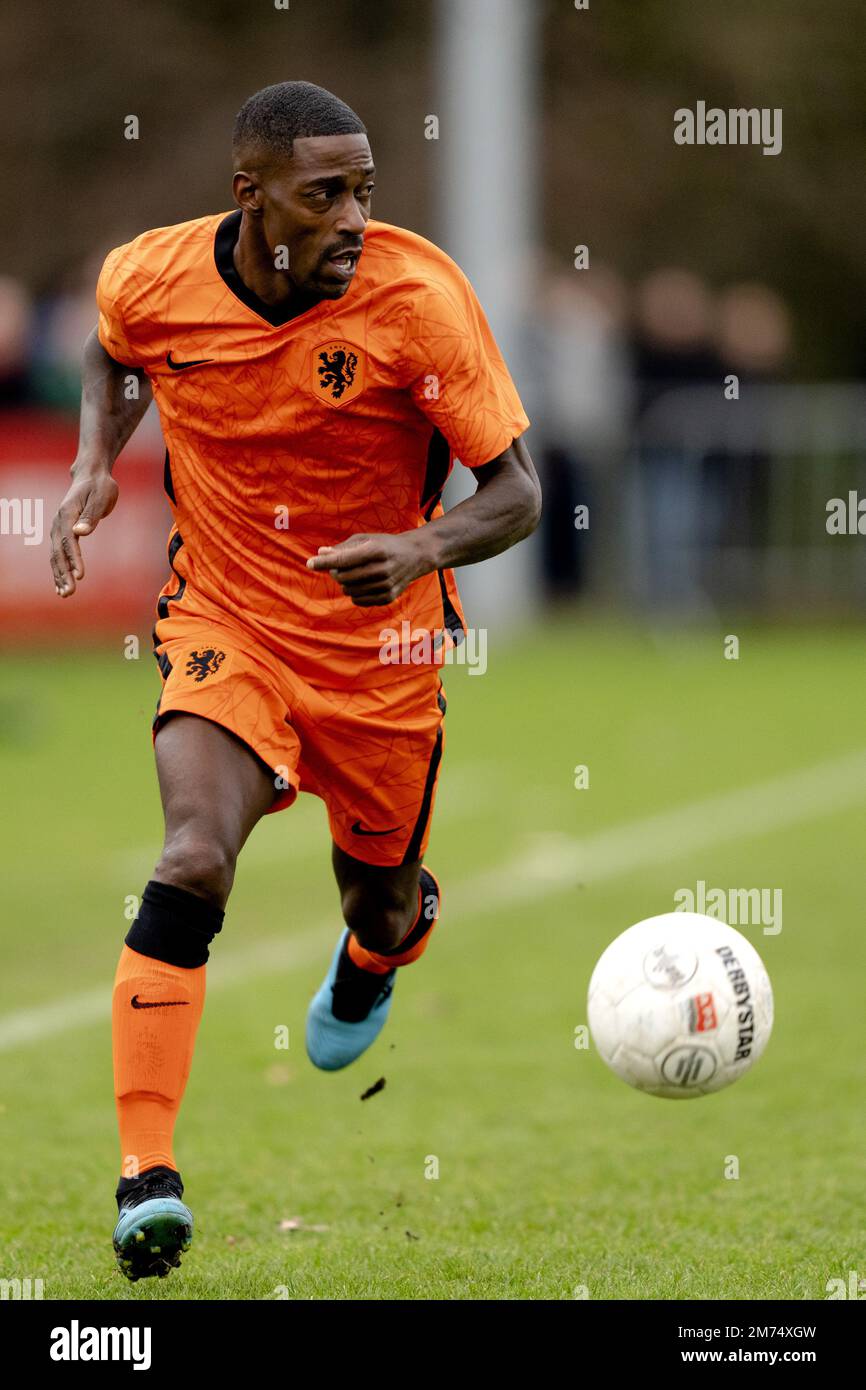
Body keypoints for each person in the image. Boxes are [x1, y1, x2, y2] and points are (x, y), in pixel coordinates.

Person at [48, 80, 540, 1282]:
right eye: (324, 194)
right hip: (227, 623)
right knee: (192, 858)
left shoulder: (417, 301)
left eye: (365, 190)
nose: (352, 217)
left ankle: (376, 951)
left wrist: (420, 548)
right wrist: (90, 466)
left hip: (384, 659)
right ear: (250, 196)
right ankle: (145, 1176)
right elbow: (117, 360)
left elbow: (518, 491)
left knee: (378, 902)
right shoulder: (149, 278)